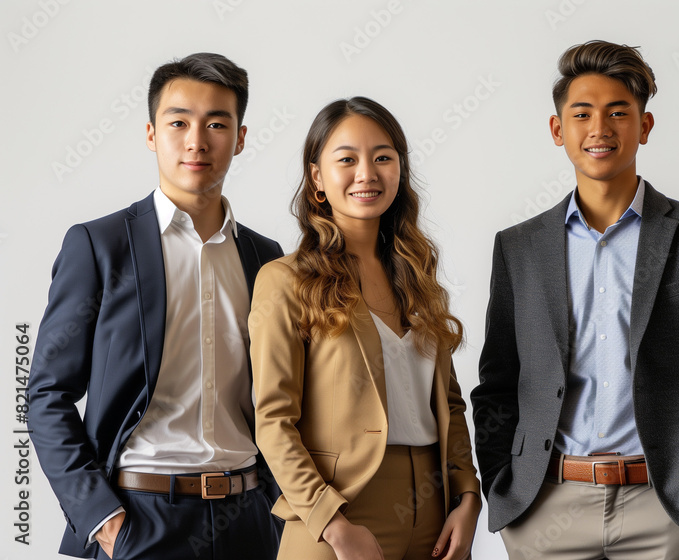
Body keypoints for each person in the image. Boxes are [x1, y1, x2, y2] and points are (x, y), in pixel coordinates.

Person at [471, 40, 679, 560]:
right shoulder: (518, 248)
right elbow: (498, 382)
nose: (599, 129)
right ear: (558, 130)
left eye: (618, 113)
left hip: (664, 508)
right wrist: (503, 485)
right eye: (582, 114)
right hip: (547, 506)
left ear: (645, 127)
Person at [27, 52, 284, 559]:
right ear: (151, 134)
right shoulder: (100, 247)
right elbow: (47, 395)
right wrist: (104, 520)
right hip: (141, 519)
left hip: (250, 520)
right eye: (179, 122)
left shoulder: (265, 258)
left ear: (241, 137)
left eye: (216, 123)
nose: (197, 140)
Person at [249, 97, 481, 560]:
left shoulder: (417, 277)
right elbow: (274, 422)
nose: (367, 174)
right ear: (317, 177)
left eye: (382, 157)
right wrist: (332, 524)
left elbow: (449, 404)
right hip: (341, 510)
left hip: (434, 511)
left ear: (400, 168)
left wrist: (467, 496)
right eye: (347, 159)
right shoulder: (285, 280)